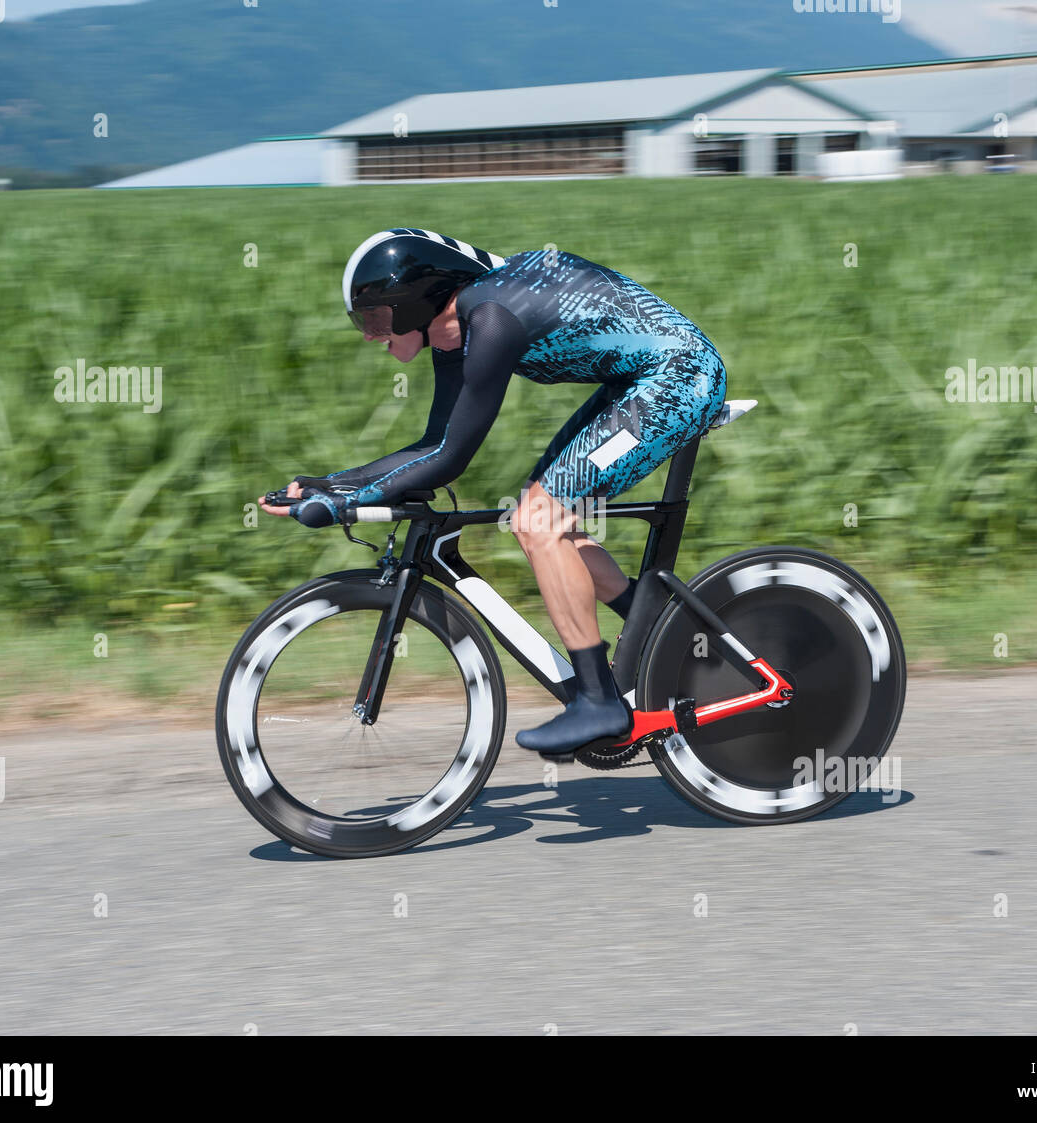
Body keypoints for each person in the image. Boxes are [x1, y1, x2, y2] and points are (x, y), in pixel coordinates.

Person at [259, 228, 726, 757]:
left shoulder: (491, 317)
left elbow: (450, 460)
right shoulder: (454, 332)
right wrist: (334, 483)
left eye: (376, 318)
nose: (370, 335)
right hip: (638, 380)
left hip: (679, 377)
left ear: (415, 300)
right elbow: (434, 445)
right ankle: (664, 628)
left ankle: (599, 702)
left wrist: (346, 500)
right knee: (541, 515)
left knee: (537, 522)